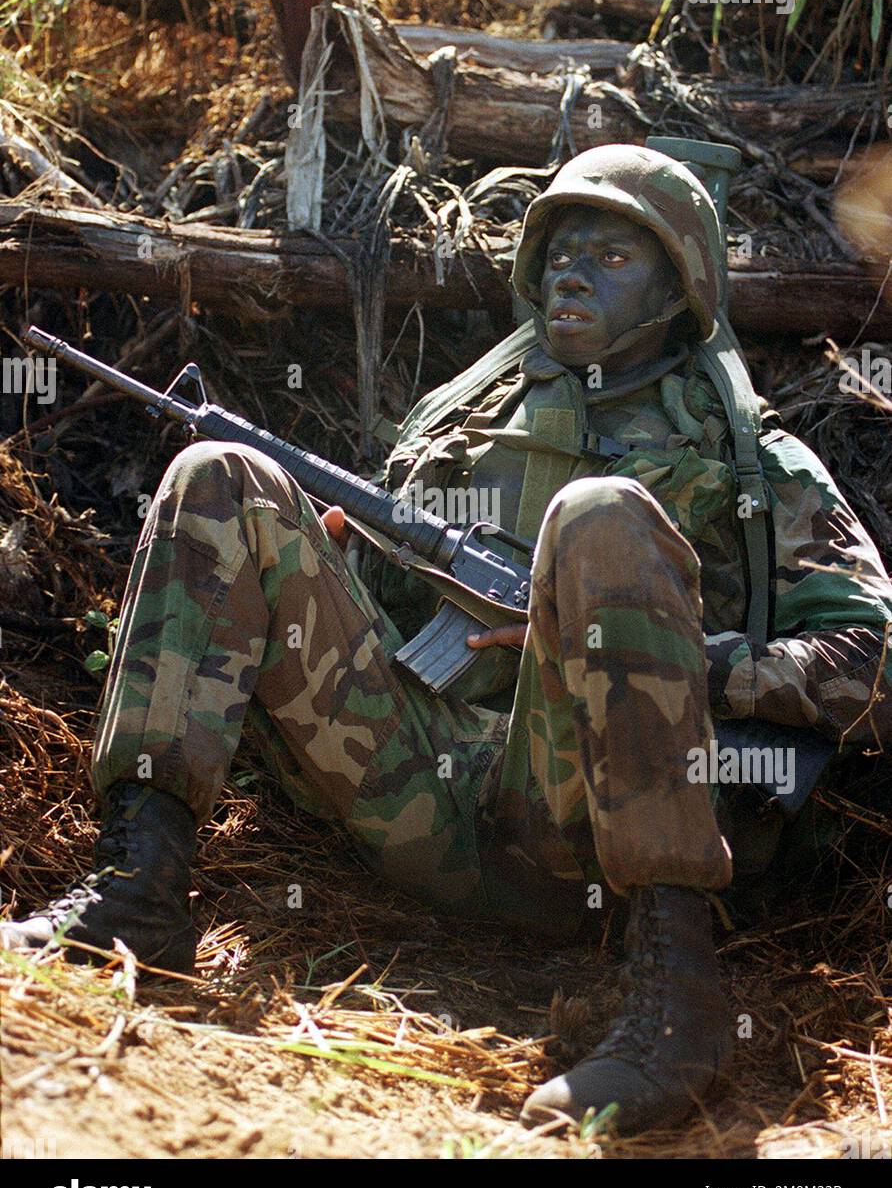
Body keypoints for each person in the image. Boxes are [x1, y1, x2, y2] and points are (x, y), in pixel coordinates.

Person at [4, 144, 890, 1135]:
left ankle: (675, 997)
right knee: (221, 472)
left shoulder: (757, 465)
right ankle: (138, 890)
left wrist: (699, 661)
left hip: (586, 835)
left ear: (680, 281)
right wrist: (349, 567)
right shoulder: (463, 429)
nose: (569, 270)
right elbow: (388, 599)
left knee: (600, 512)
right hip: (421, 786)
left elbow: (874, 666)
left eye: (610, 255)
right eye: (559, 251)